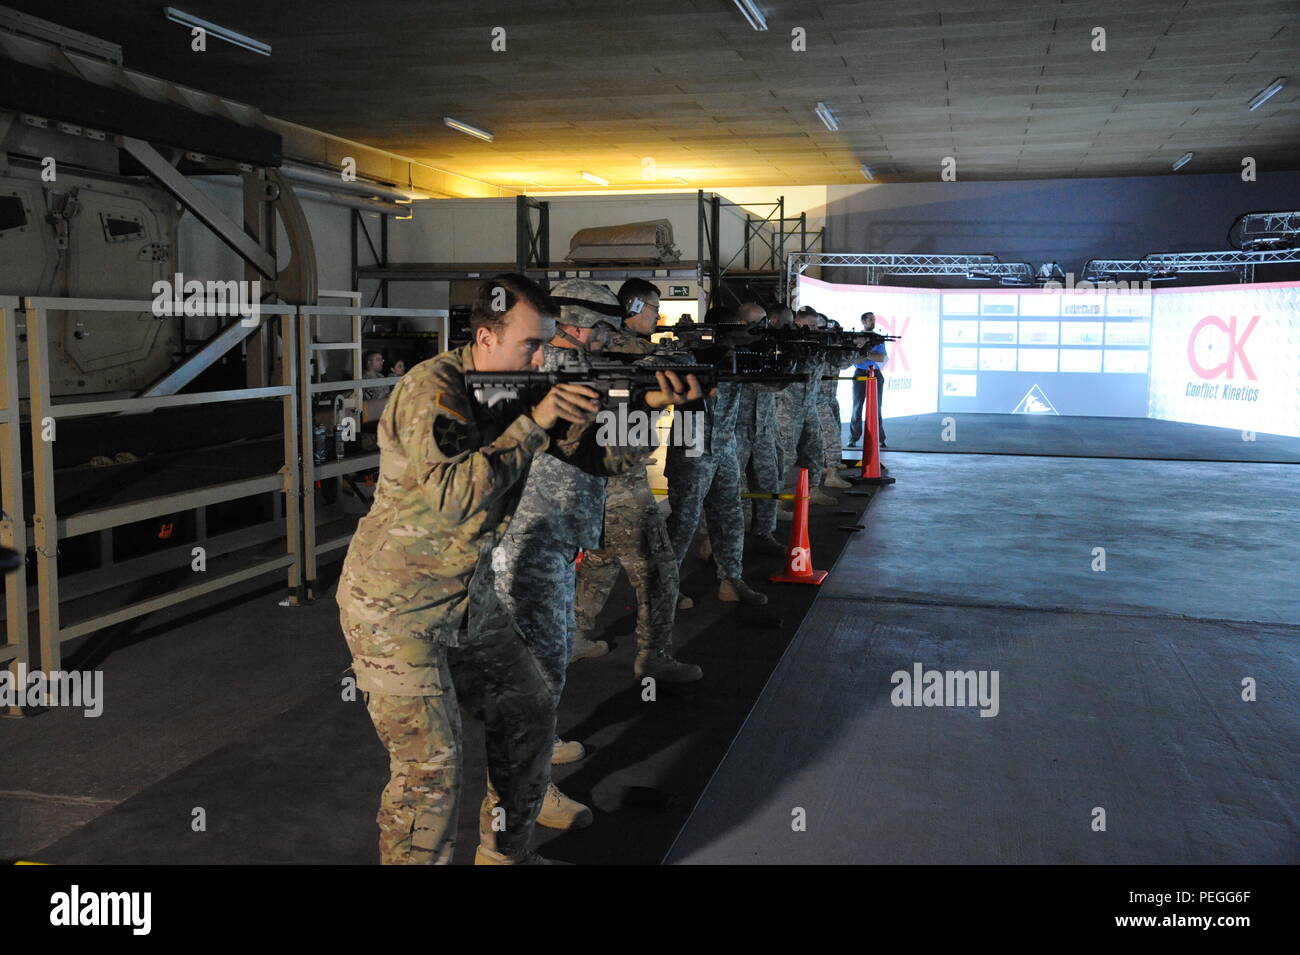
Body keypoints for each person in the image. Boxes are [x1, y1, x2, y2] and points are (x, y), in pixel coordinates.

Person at [336, 272, 697, 866]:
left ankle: (506, 855)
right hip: (395, 608)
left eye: (548, 342)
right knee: (431, 770)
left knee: (530, 713)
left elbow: (596, 456)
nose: (543, 356)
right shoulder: (435, 390)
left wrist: (648, 407)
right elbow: (455, 496)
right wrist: (537, 421)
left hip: (469, 597)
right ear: (484, 337)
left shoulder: (518, 382)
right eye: (531, 345)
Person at [573, 278, 703, 680]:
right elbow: (671, 370)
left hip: (593, 478)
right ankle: (653, 656)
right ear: (630, 307)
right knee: (660, 569)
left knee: (601, 557)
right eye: (652, 307)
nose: (657, 315)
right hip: (620, 480)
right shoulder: (625, 349)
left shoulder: (596, 349)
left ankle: (573, 635)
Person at [665, 305, 768, 606]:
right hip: (691, 439)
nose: (751, 333)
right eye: (745, 327)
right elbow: (678, 381)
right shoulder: (689, 353)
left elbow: (770, 384)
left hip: (724, 444)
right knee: (684, 520)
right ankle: (664, 588)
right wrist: (695, 345)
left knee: (729, 514)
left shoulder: (739, 354)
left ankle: (731, 578)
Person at [734, 302, 786, 555]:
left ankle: (765, 532)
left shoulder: (766, 349)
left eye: (765, 322)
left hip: (763, 428)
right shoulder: (729, 351)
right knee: (731, 490)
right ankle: (722, 540)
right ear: (742, 324)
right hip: (735, 432)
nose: (764, 328)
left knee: (768, 483)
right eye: (758, 323)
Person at [775, 307, 838, 508]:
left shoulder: (816, 344)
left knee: (816, 450)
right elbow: (794, 369)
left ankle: (813, 489)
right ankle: (774, 502)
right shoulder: (786, 344)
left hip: (809, 405)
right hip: (787, 407)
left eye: (814, 326)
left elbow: (839, 361)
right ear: (796, 323)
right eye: (808, 325)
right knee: (785, 455)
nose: (812, 329)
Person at [817, 313, 855, 489]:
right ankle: (830, 472)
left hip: (828, 397)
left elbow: (842, 362)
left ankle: (828, 467)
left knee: (832, 432)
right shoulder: (818, 347)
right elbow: (841, 362)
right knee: (830, 435)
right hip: (818, 399)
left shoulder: (828, 347)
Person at [847, 311, 888, 449]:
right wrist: (871, 355)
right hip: (860, 373)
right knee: (857, 407)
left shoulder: (879, 338)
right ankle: (853, 438)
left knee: (877, 407)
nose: (873, 322)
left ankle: (879, 438)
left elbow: (881, 358)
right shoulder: (856, 338)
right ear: (863, 321)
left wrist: (865, 353)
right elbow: (854, 359)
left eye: (874, 319)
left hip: (875, 373)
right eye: (870, 319)